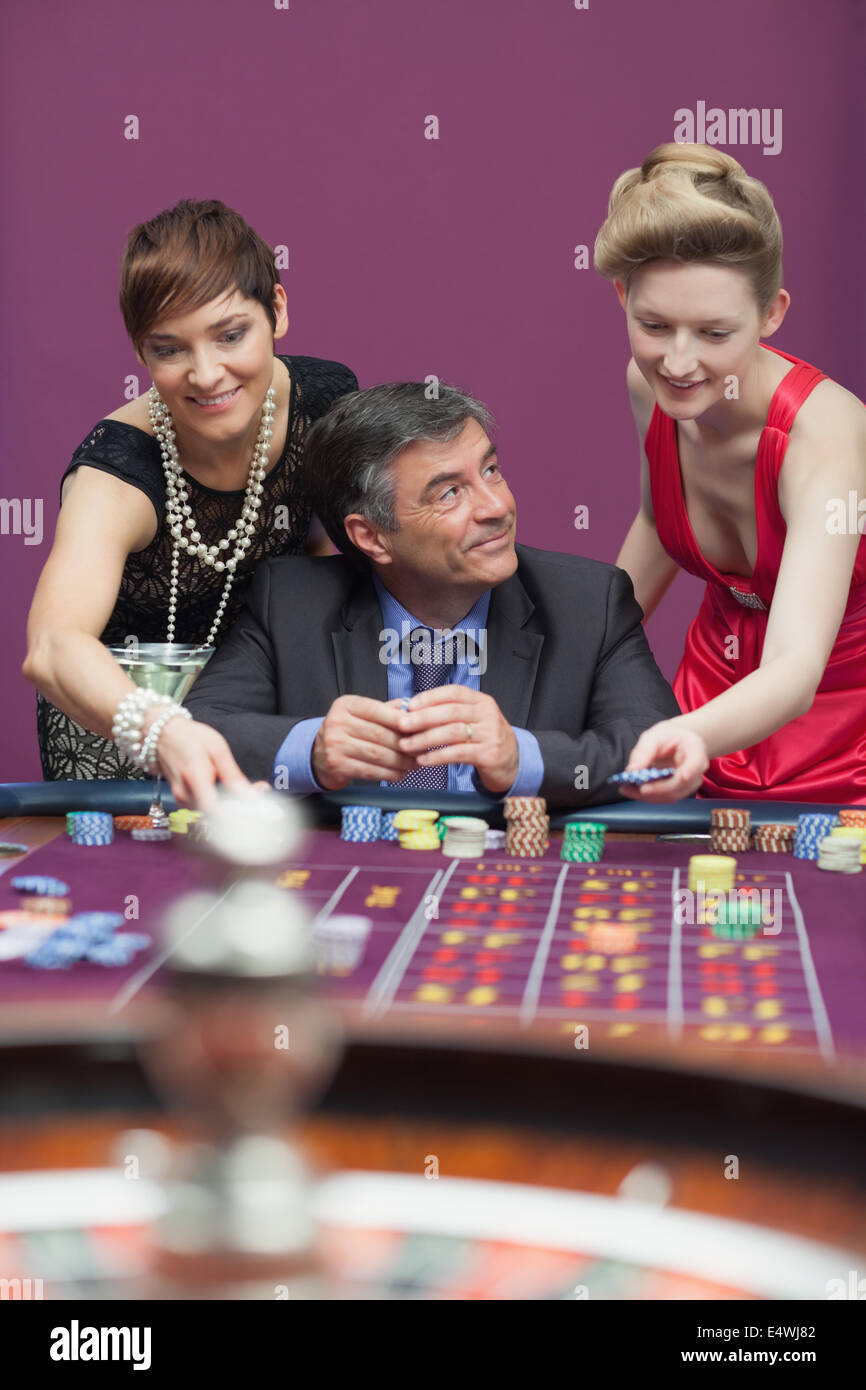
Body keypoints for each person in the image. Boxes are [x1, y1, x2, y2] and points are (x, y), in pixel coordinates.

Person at [183, 383, 680, 807]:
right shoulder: (289, 604)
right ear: (371, 536)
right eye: (449, 493)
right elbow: (194, 733)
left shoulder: (588, 603)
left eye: (490, 470)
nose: (496, 507)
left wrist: (521, 758)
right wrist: (311, 751)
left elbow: (656, 754)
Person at [23, 199, 358, 804]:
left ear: (277, 310)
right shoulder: (115, 473)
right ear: (139, 350)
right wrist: (161, 729)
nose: (207, 375)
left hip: (253, 705)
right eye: (168, 349)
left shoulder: (326, 402)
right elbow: (53, 647)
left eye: (231, 335)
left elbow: (329, 564)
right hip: (119, 725)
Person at [594, 143, 866, 804]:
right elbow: (660, 527)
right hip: (710, 701)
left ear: (772, 313)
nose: (679, 363)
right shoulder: (646, 385)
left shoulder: (827, 437)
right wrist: (572, 657)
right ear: (623, 296)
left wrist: (691, 735)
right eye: (654, 324)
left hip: (842, 733)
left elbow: (797, 669)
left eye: (715, 334)